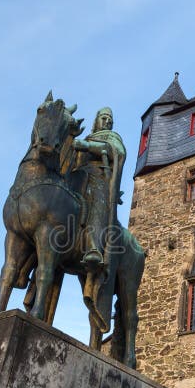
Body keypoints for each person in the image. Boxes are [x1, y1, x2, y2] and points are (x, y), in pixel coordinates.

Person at [71, 107, 126, 271]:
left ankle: (93, 247)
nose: (107, 122)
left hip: (98, 177)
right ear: (96, 120)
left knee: (97, 198)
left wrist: (87, 146)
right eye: (104, 118)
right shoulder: (85, 138)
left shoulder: (112, 137)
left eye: (110, 120)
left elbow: (117, 151)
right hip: (77, 177)